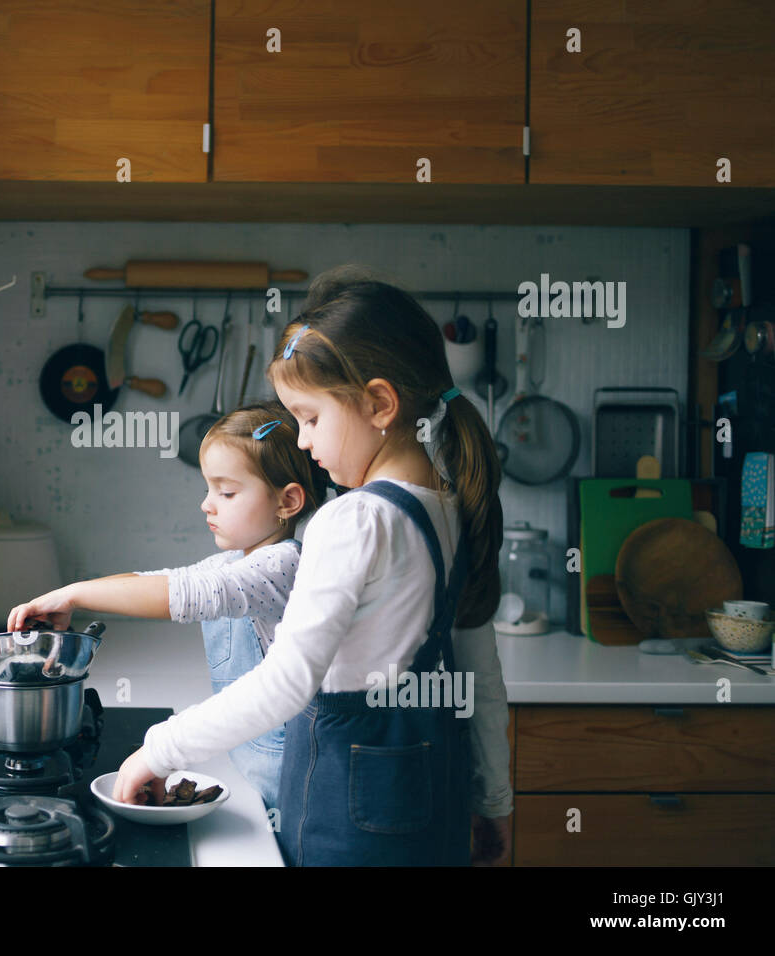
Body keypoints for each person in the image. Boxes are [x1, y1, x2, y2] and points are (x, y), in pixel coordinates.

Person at [111, 266, 512, 866]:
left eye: (311, 418)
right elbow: (479, 681)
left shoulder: (352, 521)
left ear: (379, 404)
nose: (300, 441)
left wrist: (156, 751)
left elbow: (286, 683)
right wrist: (495, 800)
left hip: (349, 823)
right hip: (436, 808)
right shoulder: (452, 509)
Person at [8, 400, 329, 807]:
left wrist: (72, 594)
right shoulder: (236, 560)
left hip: (288, 778)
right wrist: (73, 593)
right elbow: (157, 581)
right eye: (209, 488)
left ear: (288, 502)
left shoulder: (283, 565)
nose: (206, 504)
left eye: (226, 492)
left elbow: (179, 595)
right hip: (250, 760)